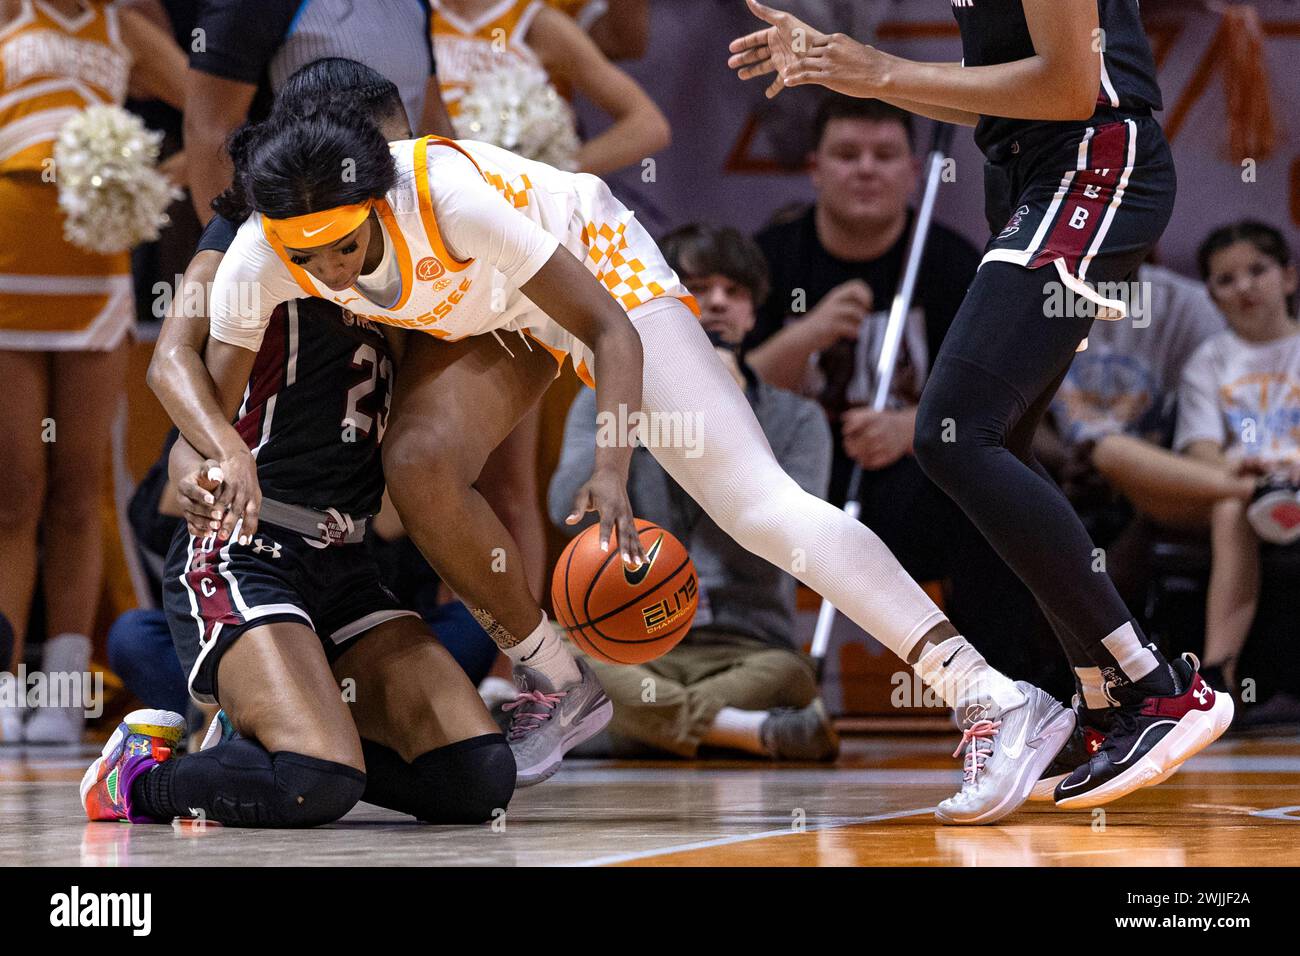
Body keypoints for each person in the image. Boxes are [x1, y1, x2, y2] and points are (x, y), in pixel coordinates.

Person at [199, 68, 1071, 826]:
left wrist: (610, 467)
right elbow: (196, 373)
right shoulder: (270, 246)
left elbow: (606, 329)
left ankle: (990, 695)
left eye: (344, 243)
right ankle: (558, 681)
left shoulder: (449, 196)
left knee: (758, 507)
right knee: (417, 466)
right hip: (502, 312)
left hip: (599, 278)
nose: (330, 270)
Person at [727, 0, 1233, 809]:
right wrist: (853, 69)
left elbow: (1070, 87)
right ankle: (1103, 702)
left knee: (950, 435)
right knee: (998, 443)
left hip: (1093, 162)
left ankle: (1154, 688)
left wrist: (878, 69)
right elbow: (992, 89)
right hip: (1033, 171)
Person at [82, 59, 513, 829]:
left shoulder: (421, 235)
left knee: (476, 778)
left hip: (346, 556)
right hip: (250, 545)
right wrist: (215, 454)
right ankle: (143, 778)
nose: (397, 175)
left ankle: (271, 746)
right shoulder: (253, 236)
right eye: (380, 155)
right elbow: (173, 362)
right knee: (314, 782)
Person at [748, 96, 1056, 687]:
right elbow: (729, 390)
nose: (866, 168)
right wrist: (807, 335)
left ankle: (1006, 691)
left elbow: (998, 405)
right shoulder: (772, 260)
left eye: (885, 155)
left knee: (992, 499)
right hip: (791, 481)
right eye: (847, 154)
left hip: (907, 485)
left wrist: (913, 428)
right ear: (814, 167)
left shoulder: (953, 265)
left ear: (914, 172)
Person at [550, 224, 839, 760]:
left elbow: (794, 548)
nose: (717, 303)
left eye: (736, 292)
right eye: (699, 288)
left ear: (754, 314)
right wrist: (644, 416)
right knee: (565, 662)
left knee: (790, 677)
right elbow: (564, 509)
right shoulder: (601, 401)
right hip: (628, 639)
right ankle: (739, 732)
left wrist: (728, 425)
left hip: (742, 647)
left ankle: (624, 731)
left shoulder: (800, 420)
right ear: (663, 301)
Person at [0, 0, 186, 744]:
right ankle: (3, 680)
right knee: (13, 490)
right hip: (10, 269)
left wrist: (146, 188)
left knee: (78, 488)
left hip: (94, 274)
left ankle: (62, 694)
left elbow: (214, 118)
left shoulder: (123, 27)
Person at [1083, 222, 1300, 727]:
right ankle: (1221, 680)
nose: (1243, 287)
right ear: (1211, 296)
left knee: (1232, 507)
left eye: (1257, 271)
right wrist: (1241, 473)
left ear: (1288, 277)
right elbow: (1200, 450)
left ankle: (1218, 674)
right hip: (1237, 491)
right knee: (1113, 451)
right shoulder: (1209, 360)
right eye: (1225, 280)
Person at [184, 0, 455, 225]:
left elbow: (431, 117)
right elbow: (209, 130)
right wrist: (230, 253)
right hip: (307, 236)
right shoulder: (250, 6)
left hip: (406, 225)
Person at [432, 0, 669, 176]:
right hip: (434, 194)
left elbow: (648, 126)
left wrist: (552, 174)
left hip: (522, 214)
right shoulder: (414, 15)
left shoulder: (538, 22)